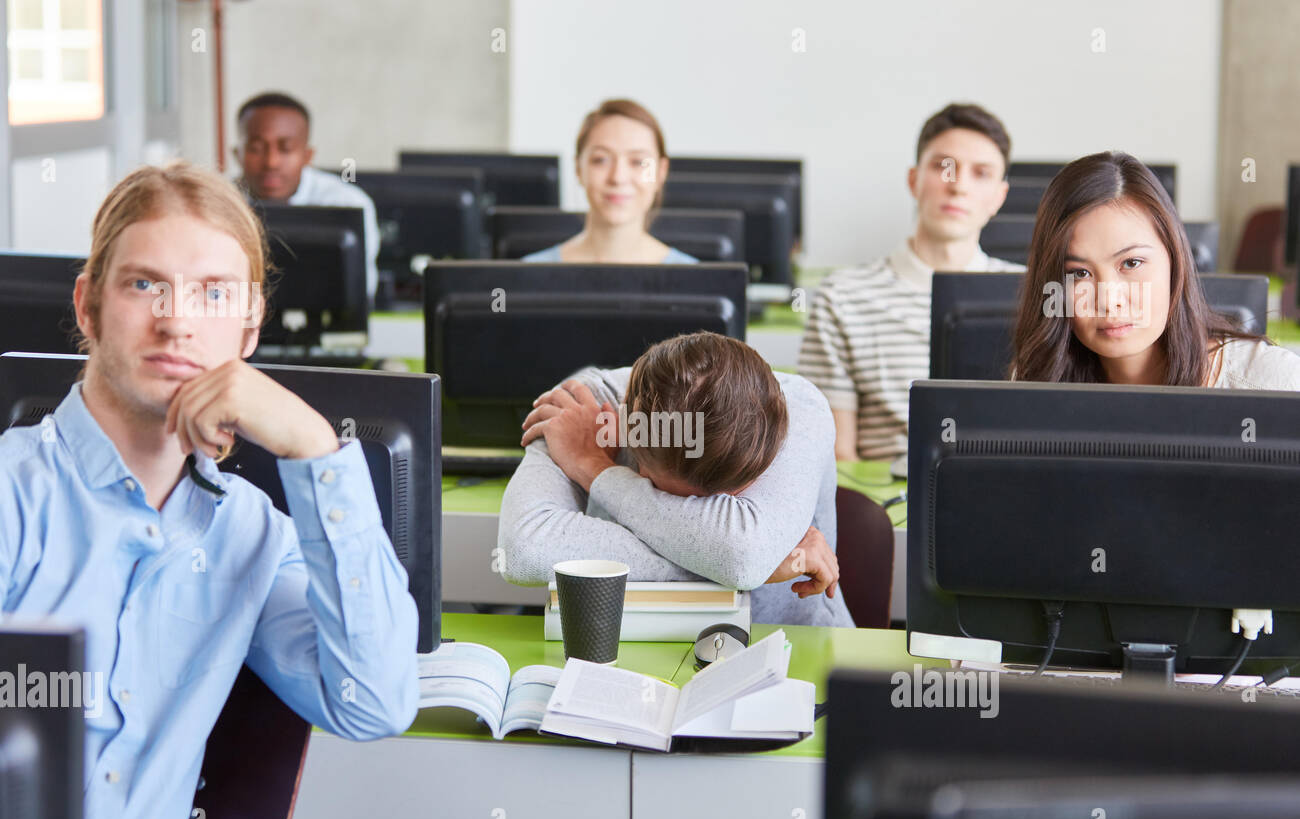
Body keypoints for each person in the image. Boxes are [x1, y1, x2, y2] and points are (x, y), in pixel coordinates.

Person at [0, 162, 418, 819]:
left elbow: (373, 701)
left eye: (213, 293)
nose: (176, 320)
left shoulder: (251, 535)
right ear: (87, 306)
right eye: (144, 284)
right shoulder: (13, 493)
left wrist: (317, 449)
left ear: (249, 328)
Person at [497, 332, 855, 628]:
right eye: (686, 503)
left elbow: (743, 558)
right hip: (631, 652)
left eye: (731, 503)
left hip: (792, 653)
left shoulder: (800, 411)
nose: (709, 520)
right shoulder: (577, 408)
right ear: (629, 435)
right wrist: (742, 563)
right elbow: (522, 550)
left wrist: (595, 470)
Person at [798, 103, 1022, 462]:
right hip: (886, 511)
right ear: (914, 180)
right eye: (943, 167)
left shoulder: (1027, 297)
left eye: (980, 173)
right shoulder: (841, 297)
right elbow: (836, 458)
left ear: (999, 197)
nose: (959, 186)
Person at [1010, 150, 1300, 389]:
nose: (1109, 302)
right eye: (1079, 273)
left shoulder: (1272, 381)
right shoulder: (1035, 379)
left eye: (1131, 263)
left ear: (1175, 262)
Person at [232, 91, 380, 300]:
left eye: (286, 148)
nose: (271, 162)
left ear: (308, 155)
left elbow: (360, 292)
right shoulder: (213, 204)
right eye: (256, 148)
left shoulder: (346, 203)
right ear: (237, 153)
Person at [523, 98, 697, 265]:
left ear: (660, 172)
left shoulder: (696, 279)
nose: (618, 178)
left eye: (638, 162)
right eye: (601, 160)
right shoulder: (528, 271)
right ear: (578, 169)